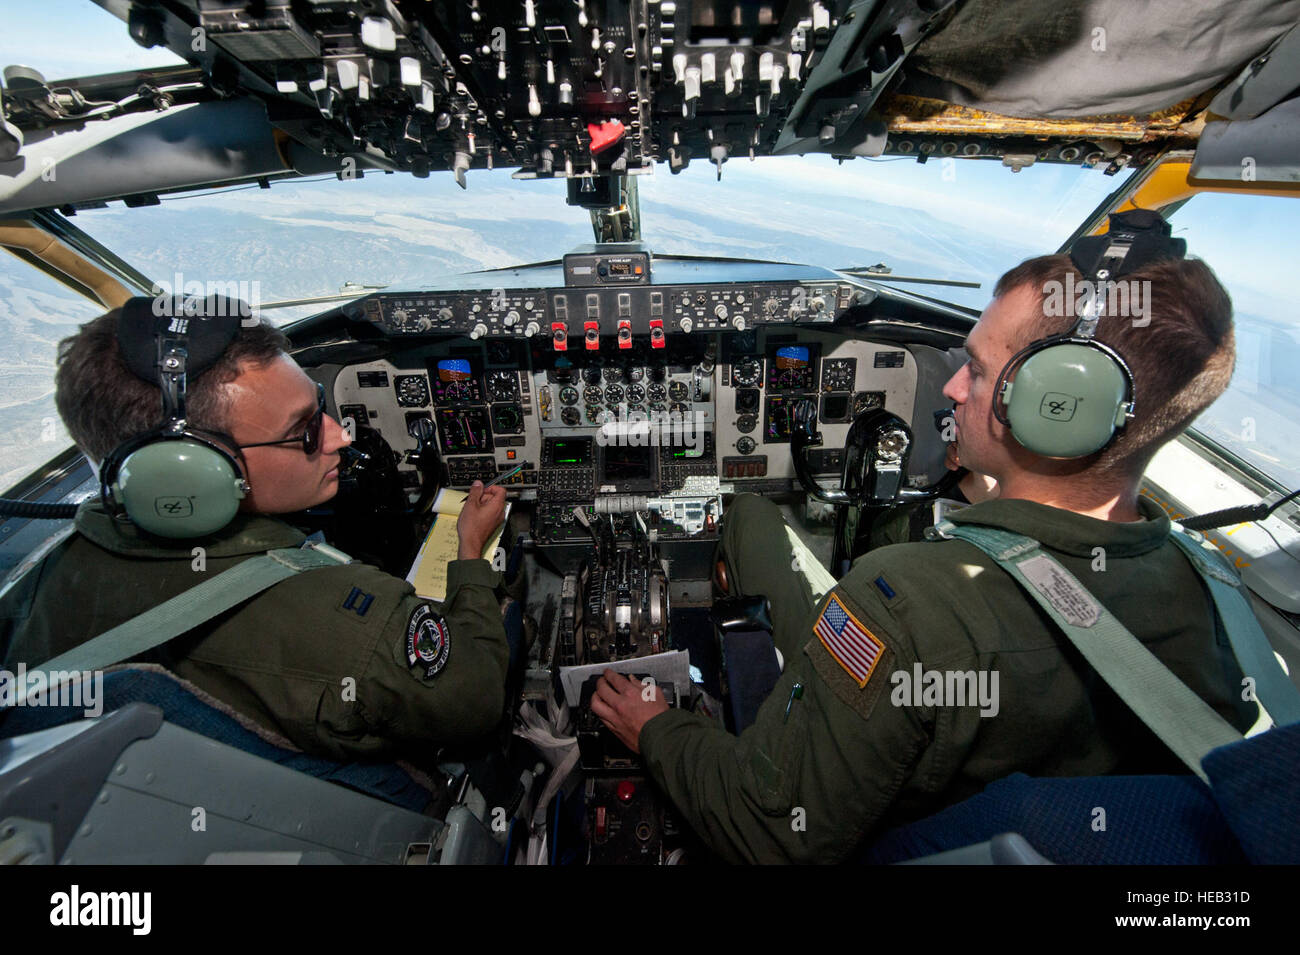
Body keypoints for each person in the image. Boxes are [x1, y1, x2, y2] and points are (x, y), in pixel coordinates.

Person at [592, 252, 1257, 863]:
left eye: (979, 368)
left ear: (1059, 406)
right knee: (759, 517)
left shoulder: (904, 603)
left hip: (868, 821)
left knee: (748, 513)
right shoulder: (1218, 594)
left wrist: (658, 730)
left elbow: (771, 832)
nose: (953, 388)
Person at [0, 302, 510, 763]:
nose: (340, 435)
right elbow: (478, 699)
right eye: (304, 429)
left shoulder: (31, 580)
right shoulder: (347, 623)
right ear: (189, 473)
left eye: (320, 406)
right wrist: (470, 551)